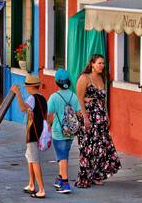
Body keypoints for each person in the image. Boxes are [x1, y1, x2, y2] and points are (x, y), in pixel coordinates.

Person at [74, 53, 120, 190]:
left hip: (100, 117)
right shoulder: (84, 78)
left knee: (101, 146)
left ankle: (97, 175)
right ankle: (85, 176)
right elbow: (80, 99)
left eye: (103, 63)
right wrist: (85, 117)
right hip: (89, 116)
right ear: (92, 64)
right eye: (99, 63)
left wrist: (107, 115)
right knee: (88, 146)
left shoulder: (101, 78)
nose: (102, 66)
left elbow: (103, 100)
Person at [13, 75, 49, 198]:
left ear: (30, 87)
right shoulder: (43, 98)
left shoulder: (32, 98)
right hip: (39, 131)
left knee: (34, 160)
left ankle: (41, 189)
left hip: (33, 133)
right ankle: (31, 184)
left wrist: (17, 93)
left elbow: (23, 108)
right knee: (30, 158)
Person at [46, 68, 79, 194]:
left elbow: (48, 113)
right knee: (63, 155)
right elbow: (78, 112)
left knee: (62, 157)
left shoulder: (54, 97)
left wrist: (48, 124)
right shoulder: (73, 96)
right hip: (70, 132)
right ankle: (60, 179)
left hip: (58, 131)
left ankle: (65, 183)